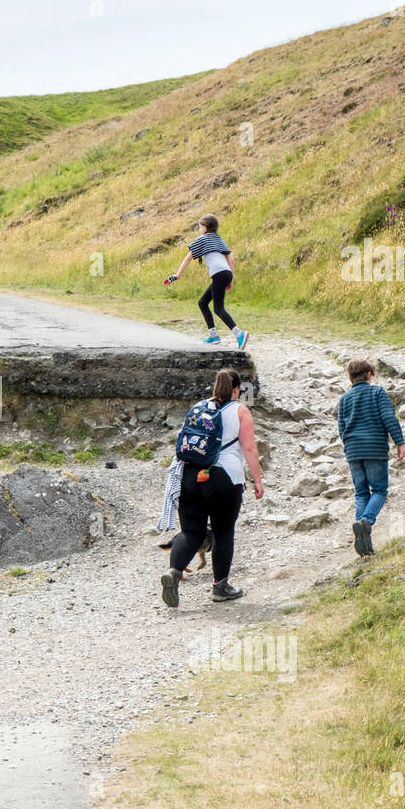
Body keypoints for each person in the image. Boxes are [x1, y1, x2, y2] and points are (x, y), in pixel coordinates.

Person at [160, 367, 264, 607]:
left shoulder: (199, 407)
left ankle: (174, 572)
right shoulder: (240, 410)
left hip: (189, 475)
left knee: (191, 532)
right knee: (223, 531)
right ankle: (220, 587)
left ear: (215, 388)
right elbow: (249, 448)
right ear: (236, 389)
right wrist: (257, 480)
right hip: (224, 477)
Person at [337, 358, 405, 556]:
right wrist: (399, 442)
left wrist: (350, 446)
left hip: (353, 451)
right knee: (379, 490)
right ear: (369, 375)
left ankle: (364, 540)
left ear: (350, 378)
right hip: (374, 448)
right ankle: (366, 521)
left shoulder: (344, 399)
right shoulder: (377, 392)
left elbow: (341, 428)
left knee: (361, 493)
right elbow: (388, 418)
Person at [164, 214, 250, 350]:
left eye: (200, 226)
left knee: (218, 308)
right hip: (226, 273)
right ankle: (213, 335)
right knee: (203, 302)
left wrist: (177, 275)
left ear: (206, 227)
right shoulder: (219, 239)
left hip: (219, 273)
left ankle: (239, 334)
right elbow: (231, 259)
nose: (199, 229)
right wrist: (231, 279)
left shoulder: (202, 239)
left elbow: (187, 258)